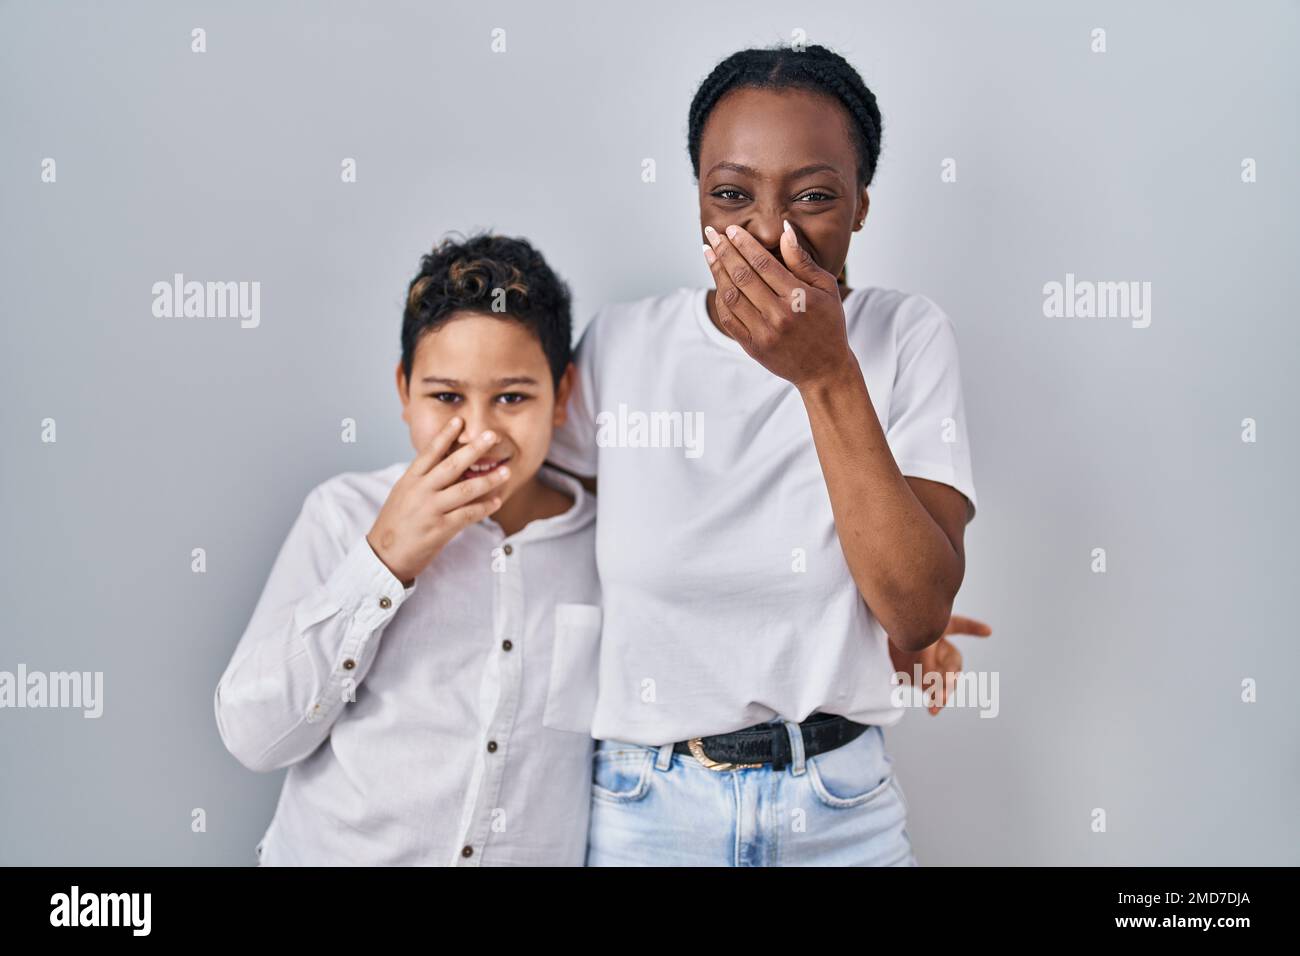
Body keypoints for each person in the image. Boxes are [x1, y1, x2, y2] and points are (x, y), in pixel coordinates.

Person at [546, 44, 984, 866]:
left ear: (861, 206)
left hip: (838, 809)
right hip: (646, 811)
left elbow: (916, 607)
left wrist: (824, 371)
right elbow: (542, 537)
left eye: (814, 195)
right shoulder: (626, 344)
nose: (769, 230)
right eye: (731, 195)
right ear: (698, 201)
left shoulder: (905, 336)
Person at [214, 234, 605, 865]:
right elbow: (255, 738)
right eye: (447, 397)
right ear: (404, 391)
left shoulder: (605, 546)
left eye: (512, 397)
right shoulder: (342, 516)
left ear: (561, 396)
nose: (478, 433)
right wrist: (385, 558)